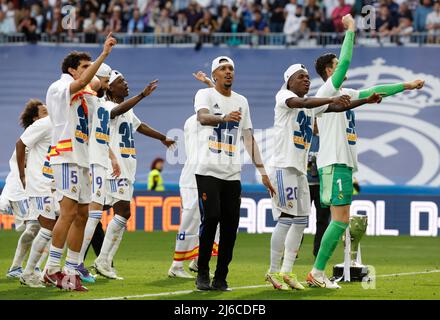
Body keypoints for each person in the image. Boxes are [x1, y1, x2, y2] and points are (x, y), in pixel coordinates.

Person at [307, 14, 425, 289]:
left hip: (342, 163)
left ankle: (316, 271)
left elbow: (376, 89)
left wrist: (406, 86)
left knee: (341, 220)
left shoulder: (343, 91)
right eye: (336, 66)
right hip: (334, 162)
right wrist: (350, 30)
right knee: (340, 221)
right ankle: (316, 271)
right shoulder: (327, 89)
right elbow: (347, 60)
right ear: (328, 71)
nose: (342, 67)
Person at [265, 63, 381, 291]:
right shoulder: (285, 96)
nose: (306, 80)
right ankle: (272, 271)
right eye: (301, 77)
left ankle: (287, 271)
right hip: (283, 166)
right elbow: (305, 102)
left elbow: (335, 108)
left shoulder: (311, 105)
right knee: (286, 219)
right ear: (289, 81)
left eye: (308, 77)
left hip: (300, 170)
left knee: (300, 221)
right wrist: (329, 99)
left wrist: (364, 101)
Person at [193, 56, 276, 291]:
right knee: (210, 219)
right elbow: (202, 117)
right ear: (214, 75)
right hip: (208, 169)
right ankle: (202, 273)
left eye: (231, 68)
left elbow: (248, 138)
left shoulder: (241, 101)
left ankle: (221, 277)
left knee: (230, 226)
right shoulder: (205, 95)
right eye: (223, 69)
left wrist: (263, 172)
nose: (228, 72)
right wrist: (223, 118)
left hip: (232, 174)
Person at [44, 33, 117, 291]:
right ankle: (52, 269)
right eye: (83, 66)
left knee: (83, 214)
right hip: (65, 157)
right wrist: (104, 54)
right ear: (71, 70)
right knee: (69, 212)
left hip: (82, 159)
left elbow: (95, 83)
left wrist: (100, 74)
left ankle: (72, 269)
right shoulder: (58, 87)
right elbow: (89, 80)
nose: (88, 71)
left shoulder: (85, 91)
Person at [93, 70, 175, 280]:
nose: (126, 84)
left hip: (127, 167)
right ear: (110, 87)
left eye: (126, 81)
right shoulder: (106, 106)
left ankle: (100, 261)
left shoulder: (128, 111)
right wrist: (142, 95)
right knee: (120, 212)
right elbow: (116, 111)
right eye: (121, 82)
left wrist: (162, 138)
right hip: (115, 167)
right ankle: (99, 261)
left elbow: (140, 126)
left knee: (103, 213)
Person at [168, 71, 220, 279]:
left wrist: (209, 83)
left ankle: (198, 260)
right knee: (190, 219)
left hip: (208, 175)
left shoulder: (208, 117)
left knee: (212, 219)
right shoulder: (195, 121)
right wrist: (209, 84)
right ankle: (176, 265)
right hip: (193, 177)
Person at [4, 100, 49, 280]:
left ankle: (35, 267)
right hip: (26, 190)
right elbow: (18, 166)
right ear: (35, 118)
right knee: (36, 228)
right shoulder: (30, 139)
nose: (50, 114)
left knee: (45, 228)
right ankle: (18, 267)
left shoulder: (48, 135)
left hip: (41, 188)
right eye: (45, 112)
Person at [16, 100, 57, 288]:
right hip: (40, 183)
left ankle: (48, 271)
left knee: (61, 226)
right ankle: (28, 272)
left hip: (53, 184)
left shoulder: (59, 124)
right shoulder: (43, 124)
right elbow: (20, 144)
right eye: (44, 110)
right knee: (47, 227)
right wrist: (23, 175)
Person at [308, 122, 331, 258]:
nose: (316, 124)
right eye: (314, 120)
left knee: (322, 220)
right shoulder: (304, 138)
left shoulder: (326, 139)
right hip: (305, 184)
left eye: (318, 121)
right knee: (299, 219)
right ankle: (293, 250)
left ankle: (319, 252)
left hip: (322, 185)